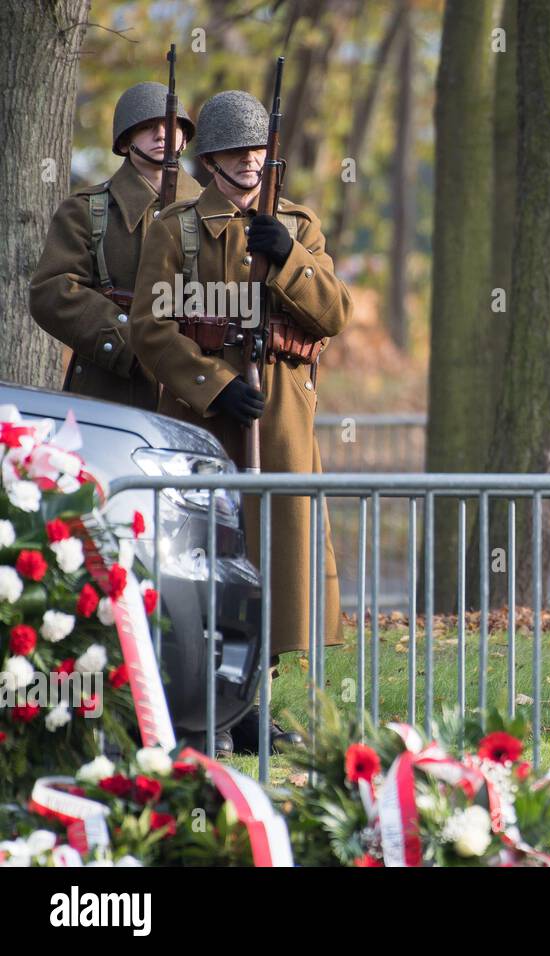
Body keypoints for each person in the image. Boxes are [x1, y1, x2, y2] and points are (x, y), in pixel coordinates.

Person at [128, 90, 351, 755]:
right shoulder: (177, 227)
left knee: (274, 564)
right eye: (236, 152)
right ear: (212, 158)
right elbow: (150, 326)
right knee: (203, 562)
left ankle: (250, 704)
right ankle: (204, 712)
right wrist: (214, 386)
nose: (250, 163)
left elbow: (333, 314)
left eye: (258, 151)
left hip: (279, 418)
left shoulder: (298, 225)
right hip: (203, 421)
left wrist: (287, 257)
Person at [30, 82, 201, 409]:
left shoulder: (214, 211)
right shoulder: (85, 210)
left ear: (184, 137)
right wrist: (135, 344)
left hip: (197, 391)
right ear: (125, 141)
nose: (162, 135)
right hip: (111, 388)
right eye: (148, 127)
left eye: (171, 126)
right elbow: (52, 291)